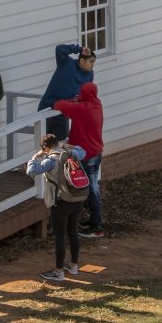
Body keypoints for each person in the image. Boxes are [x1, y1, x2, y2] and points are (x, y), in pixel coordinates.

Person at [24, 133, 91, 284]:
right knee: (73, 232)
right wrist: (67, 146)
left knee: (60, 237)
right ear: (57, 143)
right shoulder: (70, 153)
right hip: (78, 198)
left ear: (45, 147)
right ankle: (73, 266)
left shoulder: (51, 159)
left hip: (61, 202)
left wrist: (35, 157)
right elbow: (83, 152)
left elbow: (31, 171)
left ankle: (58, 271)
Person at [53, 82, 106, 238]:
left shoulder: (82, 109)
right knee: (91, 188)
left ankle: (96, 226)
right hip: (96, 153)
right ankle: (92, 221)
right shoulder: (96, 104)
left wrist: (74, 100)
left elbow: (58, 104)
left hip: (86, 155)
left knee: (90, 190)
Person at [40, 41, 93, 141]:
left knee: (60, 142)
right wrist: (79, 49)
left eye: (93, 62)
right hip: (47, 107)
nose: (92, 65)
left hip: (63, 112)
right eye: (90, 62)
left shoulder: (90, 75)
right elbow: (59, 49)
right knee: (45, 142)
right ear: (82, 60)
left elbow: (86, 95)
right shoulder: (67, 63)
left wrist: (76, 101)